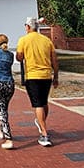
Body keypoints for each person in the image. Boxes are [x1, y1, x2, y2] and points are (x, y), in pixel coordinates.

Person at [16, 16, 59, 147]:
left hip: (32, 76)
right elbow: (54, 60)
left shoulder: (23, 40)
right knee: (44, 102)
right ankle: (41, 123)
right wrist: (56, 76)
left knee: (38, 104)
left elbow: (19, 57)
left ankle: (44, 134)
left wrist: (20, 54)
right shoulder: (47, 40)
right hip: (46, 75)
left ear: (28, 27)